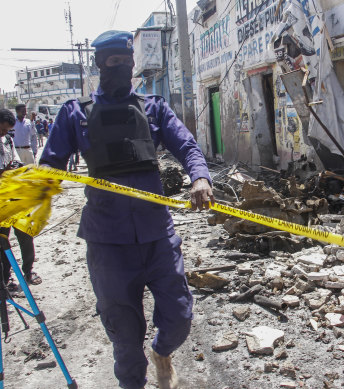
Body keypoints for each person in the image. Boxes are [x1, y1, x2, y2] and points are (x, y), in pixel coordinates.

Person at [39, 30, 214, 389]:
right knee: (123, 333)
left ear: (133, 64)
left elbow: (188, 146)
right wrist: (20, 203)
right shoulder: (75, 113)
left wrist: (200, 178)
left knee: (180, 315)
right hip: (108, 241)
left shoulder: (153, 107)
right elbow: (48, 168)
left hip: (157, 234)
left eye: (125, 60)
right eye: (111, 61)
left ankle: (162, 352)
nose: (119, 66)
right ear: (99, 64)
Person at [0, 109, 42, 290]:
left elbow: (16, 163)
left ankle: (28, 270)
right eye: (2, 130)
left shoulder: (8, 141)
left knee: (25, 233)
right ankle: (6, 278)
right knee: (3, 239)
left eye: (6, 130)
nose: (4, 133)